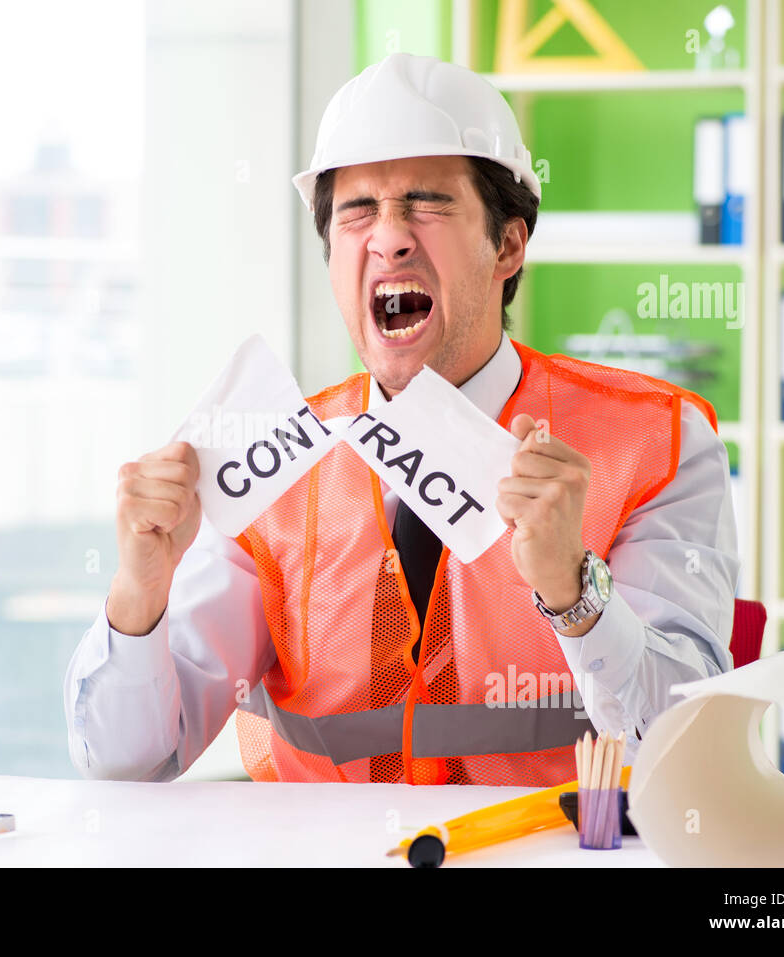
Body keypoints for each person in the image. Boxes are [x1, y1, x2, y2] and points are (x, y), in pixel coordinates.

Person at [64, 52, 739, 786]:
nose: (388, 237)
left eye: (427, 202)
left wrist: (573, 591)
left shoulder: (654, 443)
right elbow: (127, 762)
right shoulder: (274, 467)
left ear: (508, 244)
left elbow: (686, 747)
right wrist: (140, 591)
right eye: (357, 210)